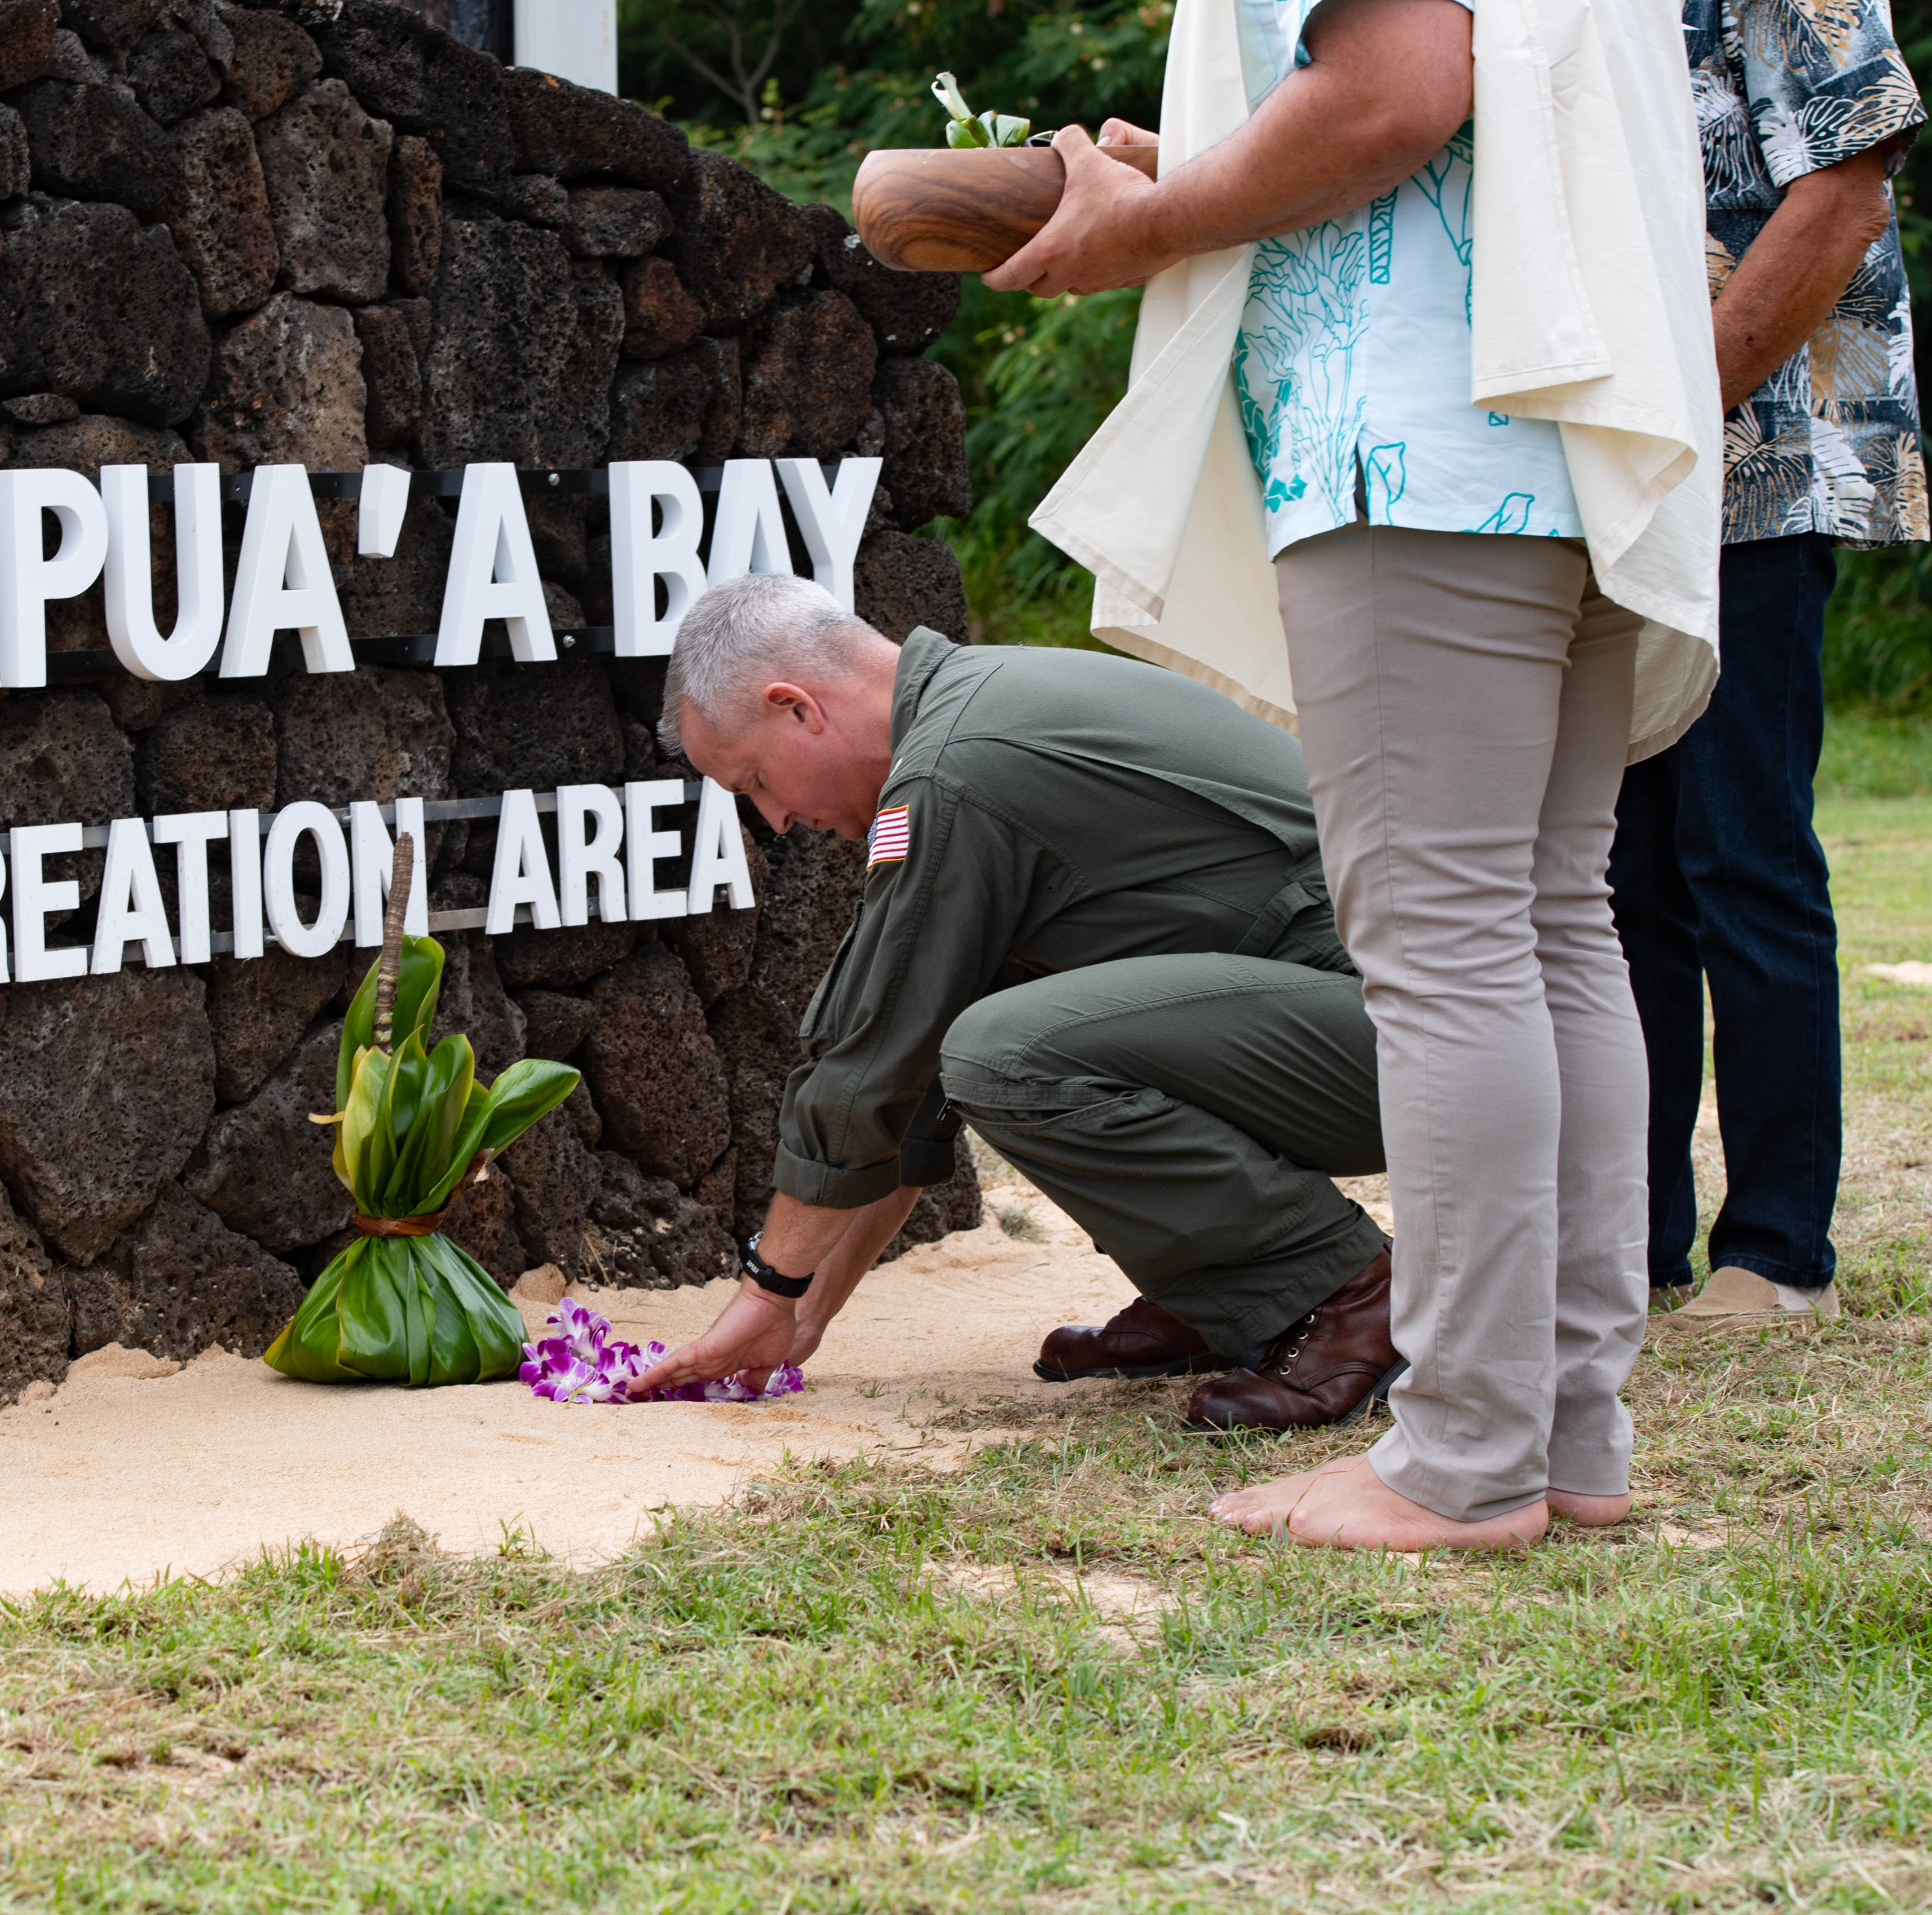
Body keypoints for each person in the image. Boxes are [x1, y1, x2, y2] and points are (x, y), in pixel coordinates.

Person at [1001, 0, 1723, 1550]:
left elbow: (1393, 91)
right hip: (1565, 425)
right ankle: (1562, 1432)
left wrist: (1149, 227)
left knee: (1449, 937)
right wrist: (1200, 166)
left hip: (1412, 435)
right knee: (1547, 920)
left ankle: (1463, 1455)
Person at [625, 572, 1402, 1435]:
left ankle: (1350, 1297)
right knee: (1003, 1026)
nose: (774, 819)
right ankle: (1231, 1290)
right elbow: (905, 1079)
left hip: (1422, 1037)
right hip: (1379, 1023)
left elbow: (865, 1067)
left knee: (1008, 1054)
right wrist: (801, 1317)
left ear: (796, 708)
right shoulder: (982, 704)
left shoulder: (955, 771)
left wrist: (766, 1289)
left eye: (755, 782)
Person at [1612, 3, 1923, 1339]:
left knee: (1741, 853)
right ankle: (1627, 1241)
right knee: (1615, 876)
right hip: (1599, 477)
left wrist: (1683, 415)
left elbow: (1846, 188)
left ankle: (1780, 1251)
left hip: (1751, 471)